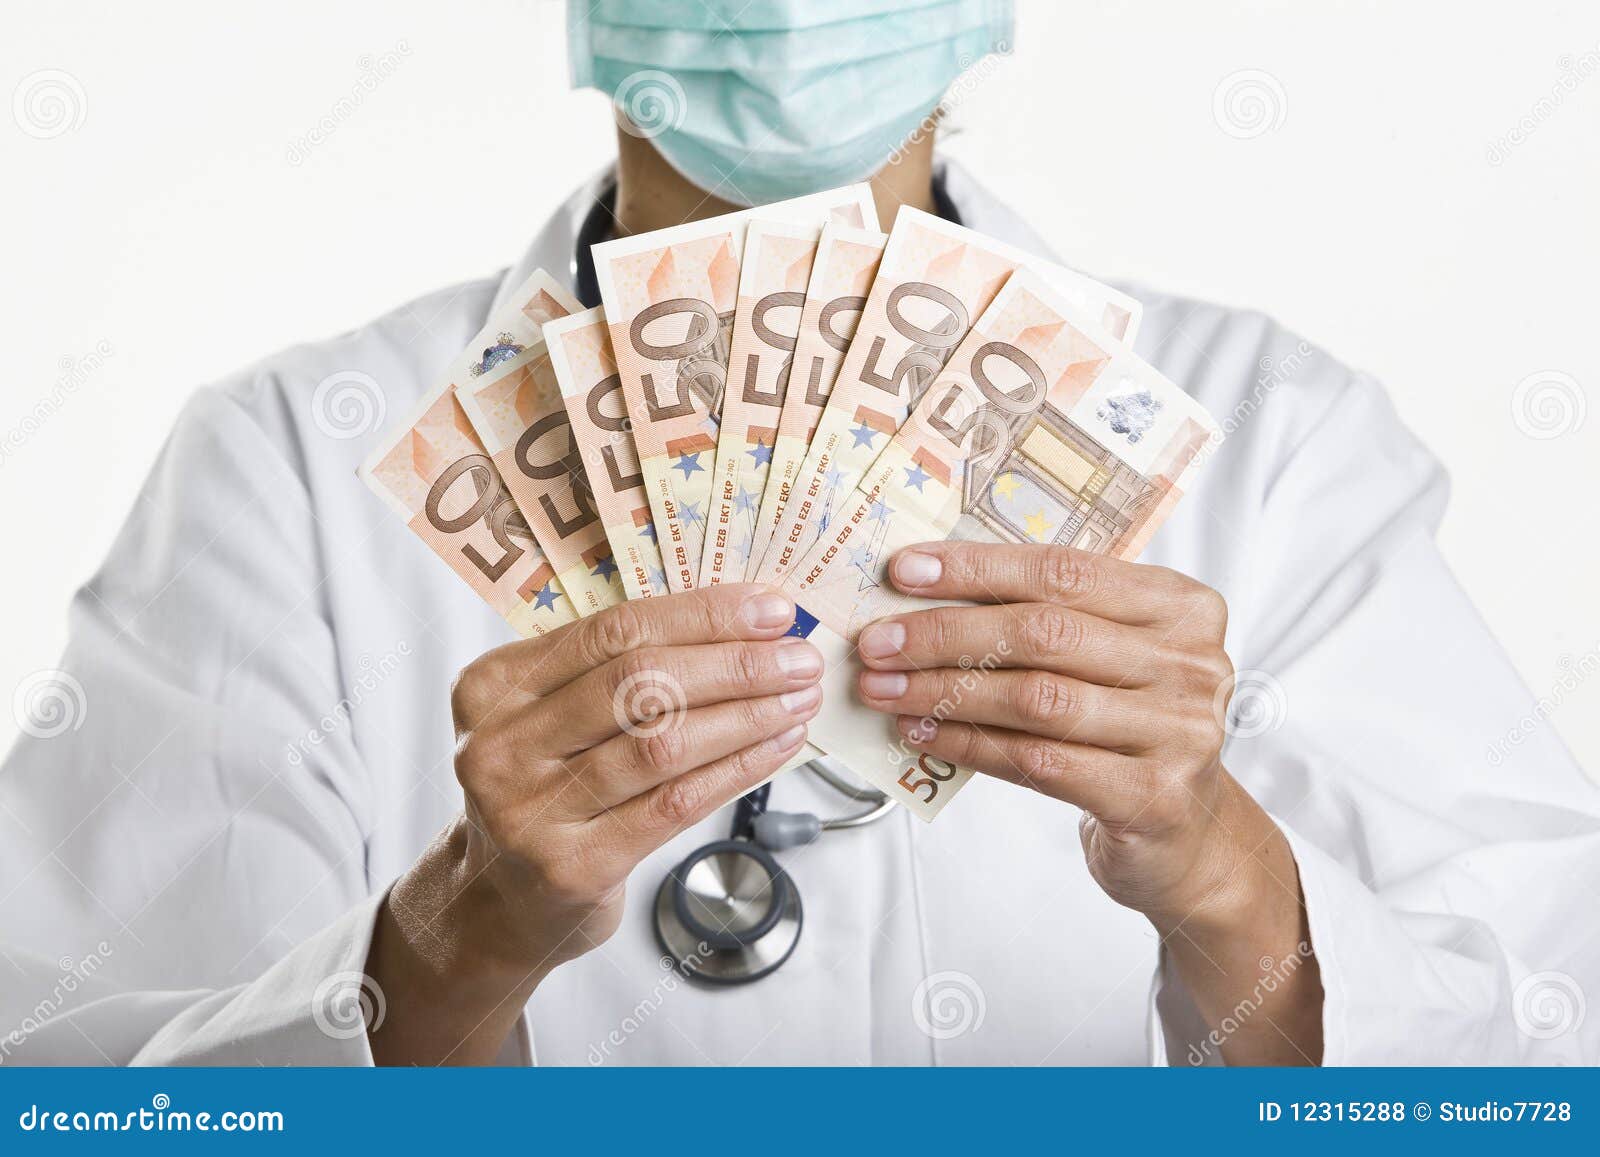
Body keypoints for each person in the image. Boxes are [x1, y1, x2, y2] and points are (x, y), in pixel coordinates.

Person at [2, 1, 1596, 1067]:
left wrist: (1233, 884)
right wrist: (442, 953)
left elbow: (1537, 1064)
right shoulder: (295, 466)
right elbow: (81, 1090)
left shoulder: (1274, 441)